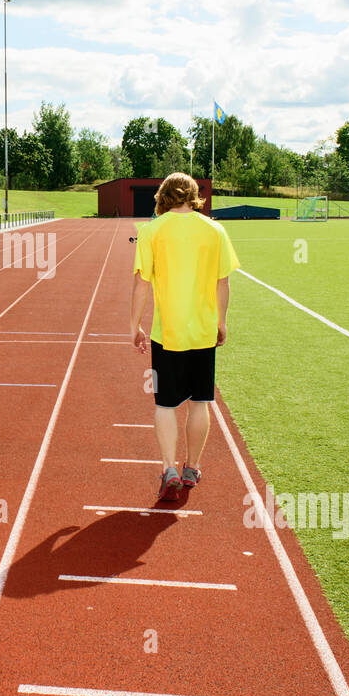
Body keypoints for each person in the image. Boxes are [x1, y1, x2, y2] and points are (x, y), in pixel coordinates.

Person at [130, 172, 239, 503]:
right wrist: (221, 322)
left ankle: (169, 469)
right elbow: (223, 282)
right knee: (200, 401)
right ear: (194, 196)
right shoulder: (215, 230)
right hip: (203, 332)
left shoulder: (151, 231)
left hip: (168, 334)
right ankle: (192, 467)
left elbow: (142, 283)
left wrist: (134, 324)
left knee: (165, 403)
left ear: (163, 195)